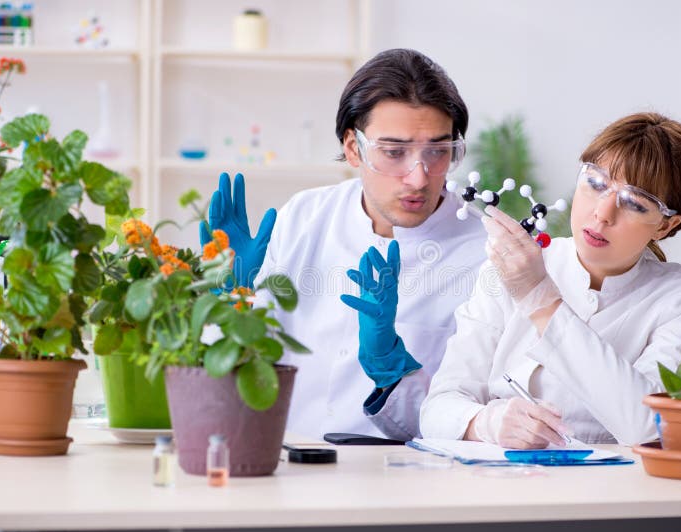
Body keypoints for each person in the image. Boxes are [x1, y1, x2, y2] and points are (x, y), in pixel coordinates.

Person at [200, 49, 486, 441]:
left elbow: (471, 419)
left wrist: (391, 369)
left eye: (438, 151)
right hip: (283, 460)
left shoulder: (485, 252)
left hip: (401, 478)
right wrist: (232, 301)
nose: (419, 177)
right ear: (353, 147)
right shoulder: (304, 216)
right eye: (394, 152)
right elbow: (241, 365)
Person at [420, 112, 681, 448]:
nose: (603, 213)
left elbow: (650, 427)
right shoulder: (512, 267)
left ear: (665, 226)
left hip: (610, 491)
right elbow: (437, 410)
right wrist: (485, 423)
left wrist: (542, 301)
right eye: (595, 184)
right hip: (496, 483)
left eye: (633, 203)